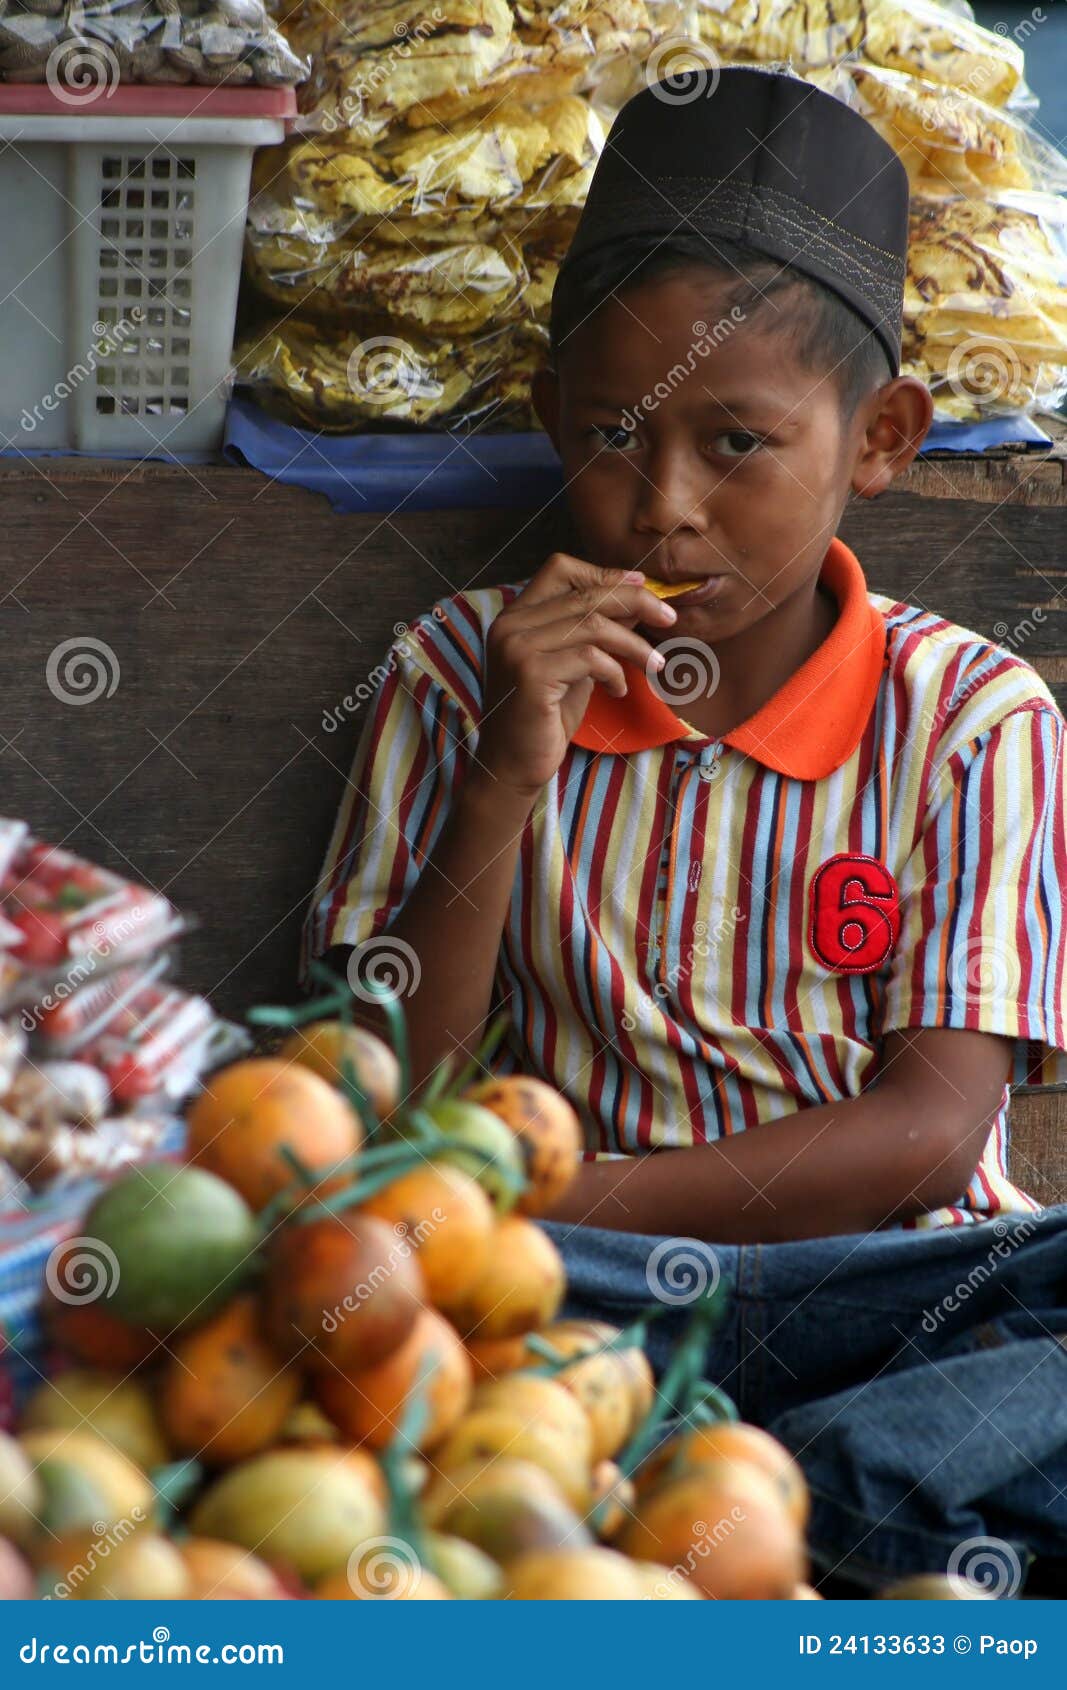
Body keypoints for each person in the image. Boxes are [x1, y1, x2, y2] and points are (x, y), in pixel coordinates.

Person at [303, 69, 1067, 1591]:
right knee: (326, 1257)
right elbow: (394, 1082)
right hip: (566, 1297)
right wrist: (509, 772)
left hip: (887, 1282)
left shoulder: (977, 719)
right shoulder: (463, 673)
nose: (660, 507)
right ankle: (835, 1512)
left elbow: (927, 1133)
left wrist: (546, 1205)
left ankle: (823, 1488)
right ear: (548, 420)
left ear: (882, 438)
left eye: (736, 445)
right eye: (611, 436)